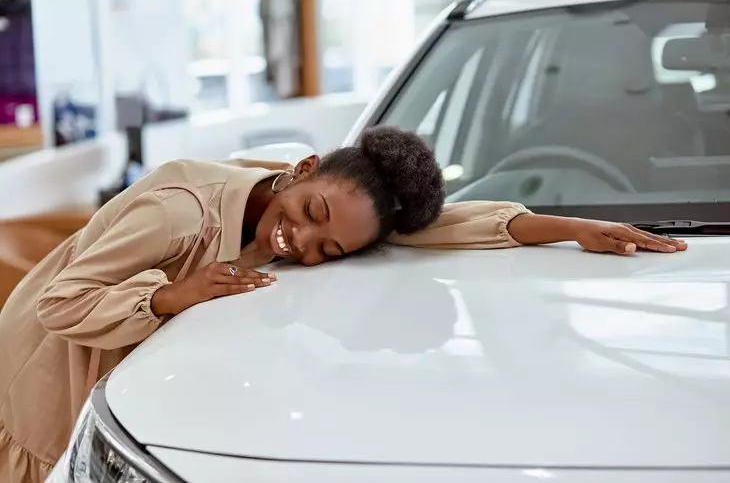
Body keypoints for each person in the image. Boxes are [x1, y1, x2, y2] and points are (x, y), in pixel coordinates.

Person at [0, 125, 686, 482]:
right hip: (38, 390)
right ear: (299, 171)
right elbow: (63, 302)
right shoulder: (179, 212)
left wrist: (567, 228)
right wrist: (172, 294)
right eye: (309, 212)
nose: (299, 240)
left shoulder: (331, 205)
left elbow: (432, 225)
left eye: (328, 250)